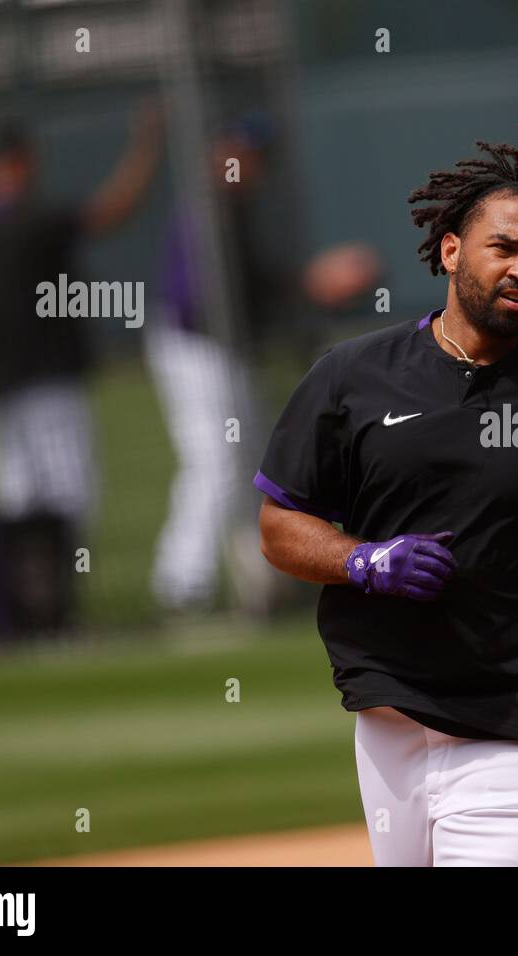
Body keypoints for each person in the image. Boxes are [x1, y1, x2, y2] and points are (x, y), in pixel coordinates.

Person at [254, 126, 518, 866]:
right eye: (505, 248)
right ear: (451, 250)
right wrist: (362, 561)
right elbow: (278, 525)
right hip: (393, 720)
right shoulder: (351, 377)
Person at [147, 114, 381, 613]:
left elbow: (247, 288)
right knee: (214, 460)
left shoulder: (231, 206)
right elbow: (213, 297)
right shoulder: (213, 209)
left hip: (217, 351)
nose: (252, 164)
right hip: (195, 350)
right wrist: (310, 283)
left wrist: (305, 285)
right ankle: (180, 583)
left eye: (256, 155)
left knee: (247, 464)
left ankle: (263, 581)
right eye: (243, 153)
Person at [0, 106, 163, 526]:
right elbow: (112, 211)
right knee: (71, 495)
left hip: (3, 383)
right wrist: (147, 146)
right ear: (18, 161)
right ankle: (54, 589)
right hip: (49, 384)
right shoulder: (33, 220)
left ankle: (14, 589)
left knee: (18, 494)